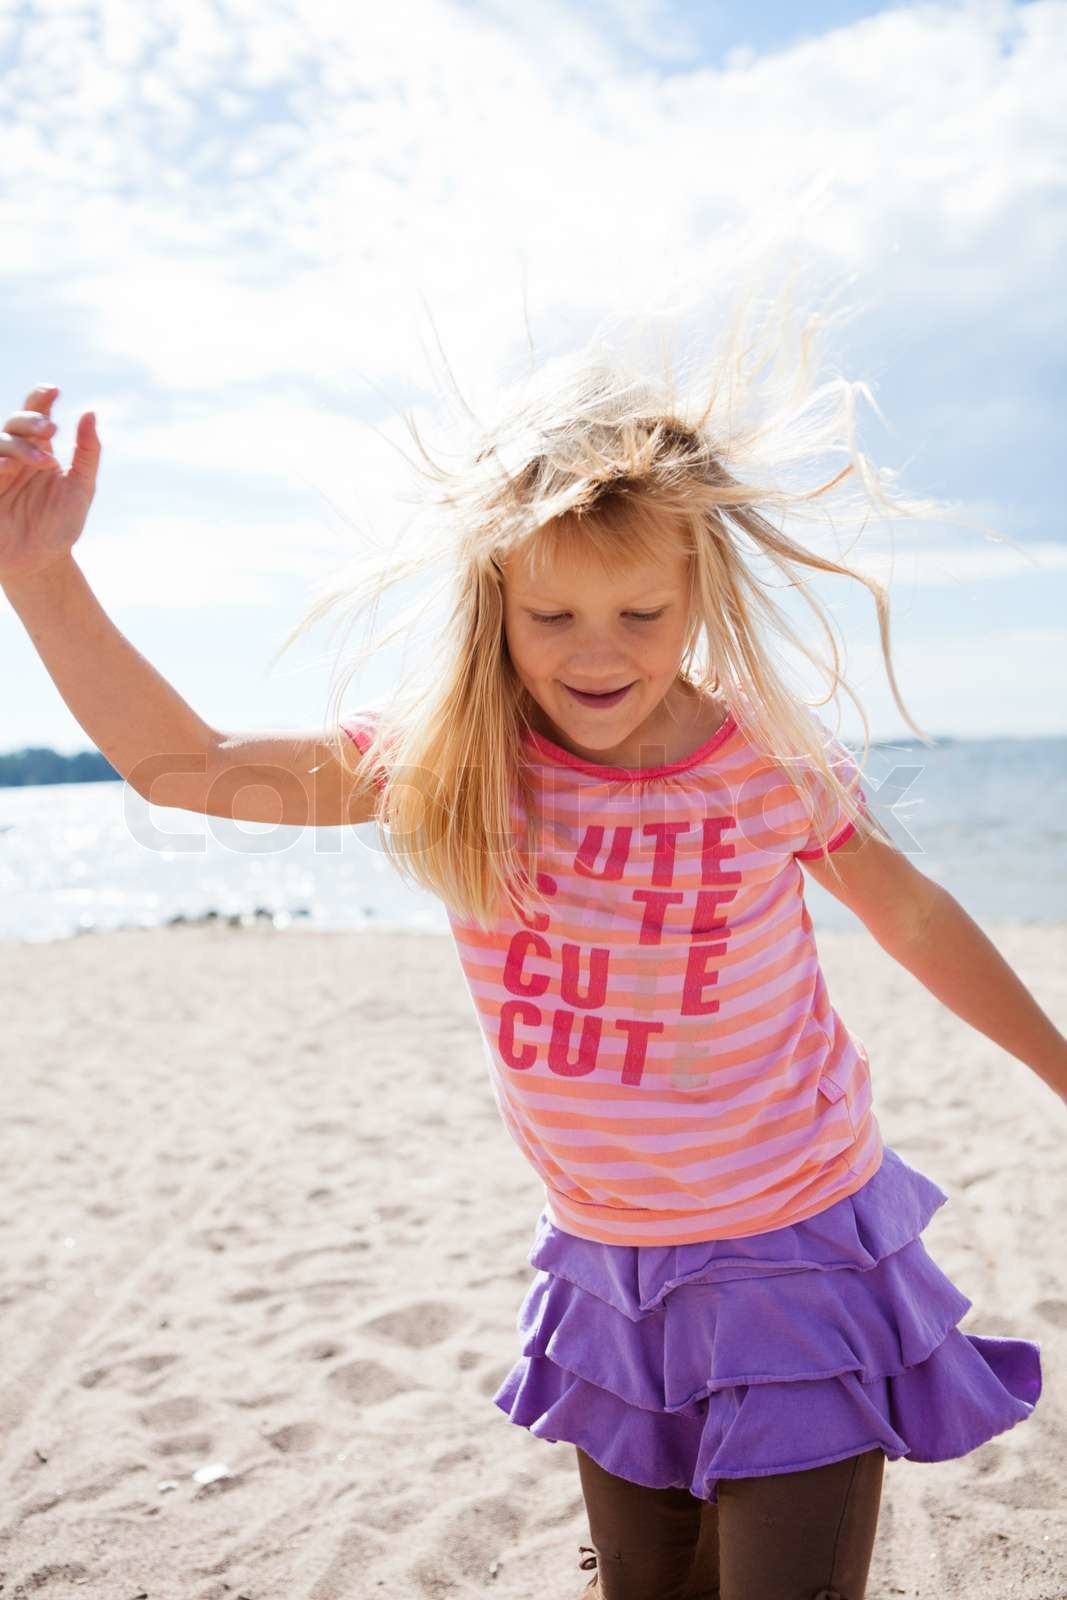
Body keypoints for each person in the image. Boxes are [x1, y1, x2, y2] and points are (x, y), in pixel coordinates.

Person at [1, 289, 1061, 1600]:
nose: (598, 654)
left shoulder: (765, 761)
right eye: (553, 617)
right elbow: (190, 763)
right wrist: (39, 576)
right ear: (494, 606)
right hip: (612, 1268)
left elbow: (911, 913)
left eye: (642, 615)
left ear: (699, 599)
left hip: (793, 1246)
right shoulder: (454, 759)